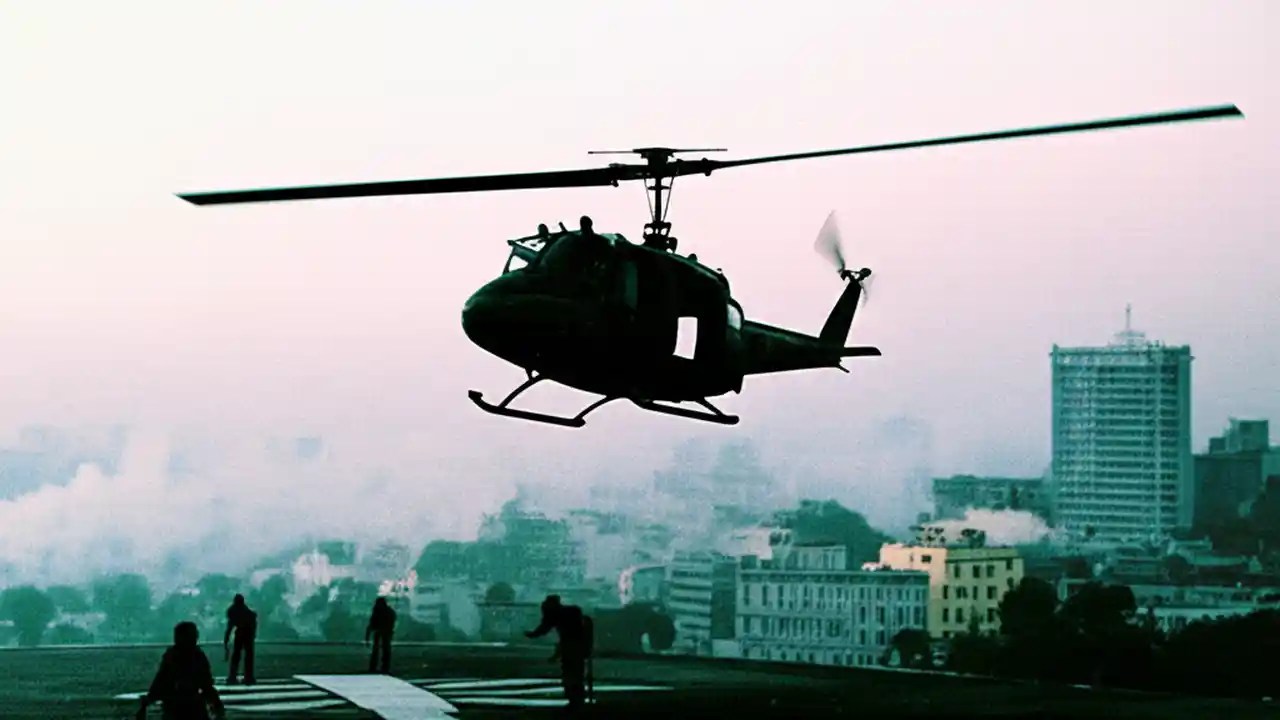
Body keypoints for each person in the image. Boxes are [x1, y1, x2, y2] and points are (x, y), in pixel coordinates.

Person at [137, 621, 226, 720]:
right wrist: (217, 704)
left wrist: (148, 700)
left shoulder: (176, 656)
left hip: (179, 705)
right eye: (194, 635)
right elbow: (206, 684)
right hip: (187, 705)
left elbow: (160, 681)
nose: (196, 638)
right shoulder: (194, 656)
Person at [526, 594, 594, 710]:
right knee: (576, 674)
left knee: (571, 674)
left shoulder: (560, 615)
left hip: (573, 648)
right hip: (578, 647)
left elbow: (545, 627)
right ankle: (577, 700)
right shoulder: (572, 613)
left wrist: (532, 635)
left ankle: (575, 701)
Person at [223, 593, 257, 686]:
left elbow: (230, 627)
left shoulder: (233, 611)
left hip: (244, 633)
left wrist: (226, 640)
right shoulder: (247, 612)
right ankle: (247, 677)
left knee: (238, 656)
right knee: (246, 656)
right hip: (247, 633)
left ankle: (235, 677)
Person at [365, 596, 397, 674]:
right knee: (385, 650)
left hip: (379, 632)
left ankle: (374, 667)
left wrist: (367, 637)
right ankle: (385, 667)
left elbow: (371, 624)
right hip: (386, 632)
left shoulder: (377, 611)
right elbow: (392, 620)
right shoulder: (389, 611)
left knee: (376, 650)